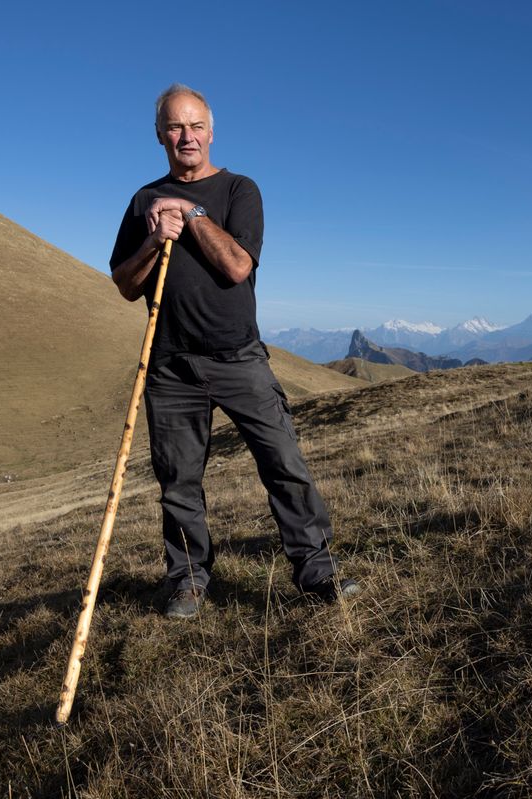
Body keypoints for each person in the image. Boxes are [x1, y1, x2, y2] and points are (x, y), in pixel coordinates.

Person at [109, 83, 359, 618]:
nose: (186, 136)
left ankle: (316, 572)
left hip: (238, 358)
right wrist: (154, 239)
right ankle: (189, 581)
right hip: (170, 364)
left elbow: (237, 266)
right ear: (159, 135)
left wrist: (191, 215)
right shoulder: (141, 202)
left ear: (211, 131)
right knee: (178, 481)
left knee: (283, 463)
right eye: (175, 126)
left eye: (196, 125)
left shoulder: (240, 189)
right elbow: (126, 284)